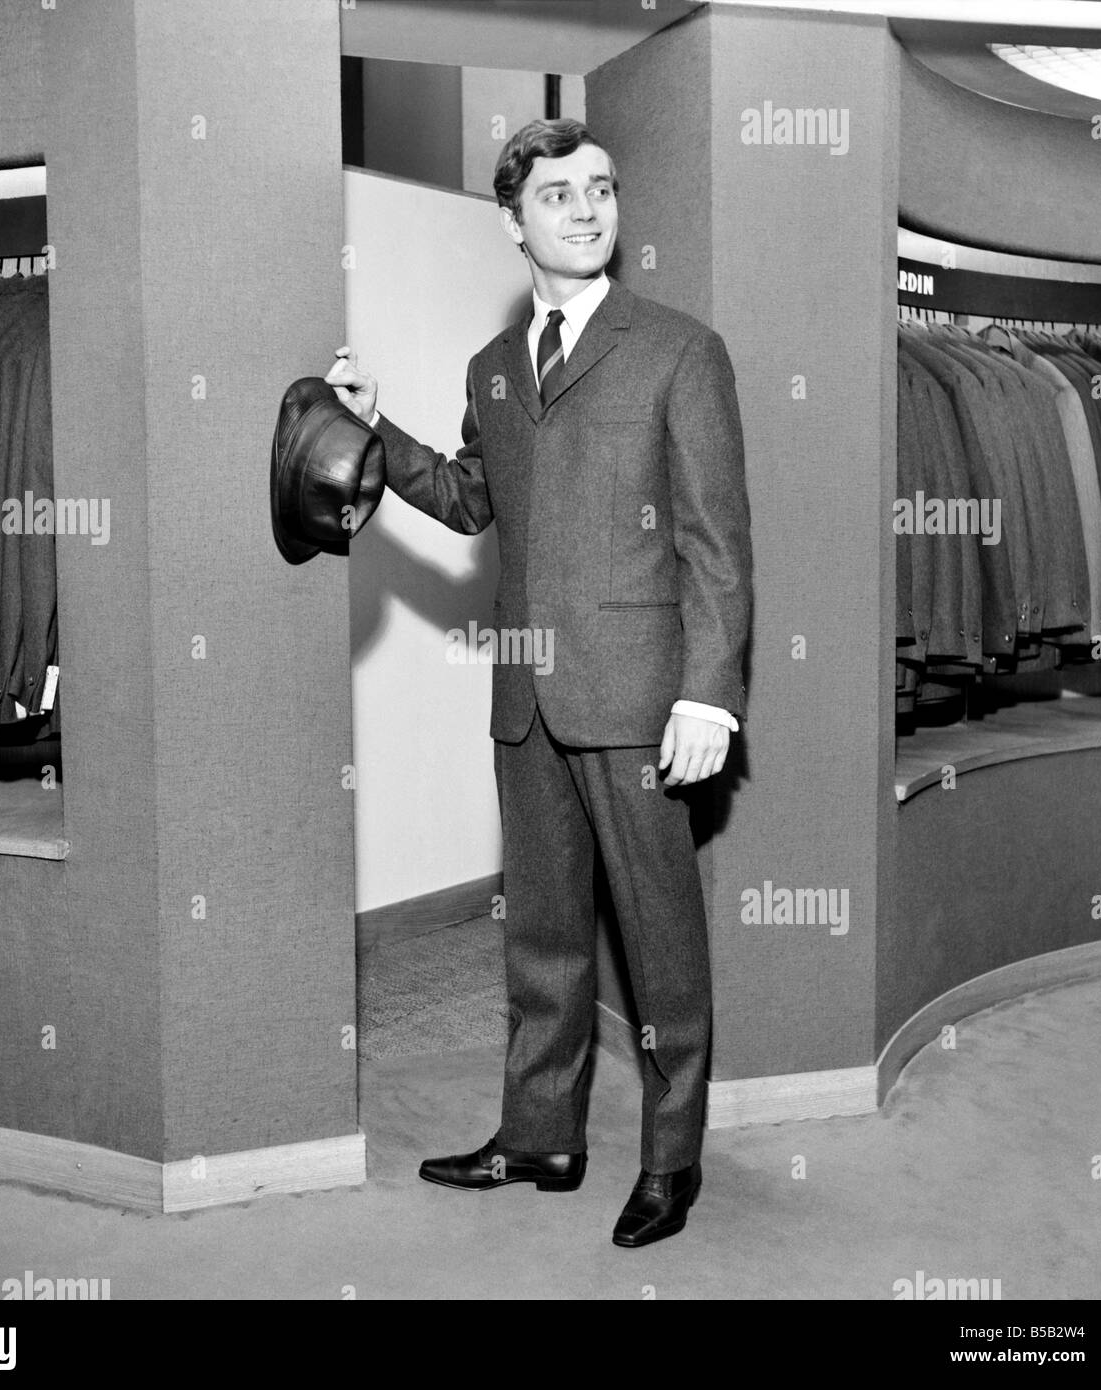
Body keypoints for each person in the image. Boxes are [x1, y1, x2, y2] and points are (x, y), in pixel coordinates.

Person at [327, 117, 752, 1249]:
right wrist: (378, 434)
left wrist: (707, 694)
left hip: (641, 699)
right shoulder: (493, 370)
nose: (585, 209)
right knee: (543, 936)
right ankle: (540, 1134)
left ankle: (672, 1157)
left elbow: (716, 542)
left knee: (660, 941)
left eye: (601, 190)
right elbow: (472, 499)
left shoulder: (678, 349)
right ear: (511, 220)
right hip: (526, 699)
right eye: (557, 195)